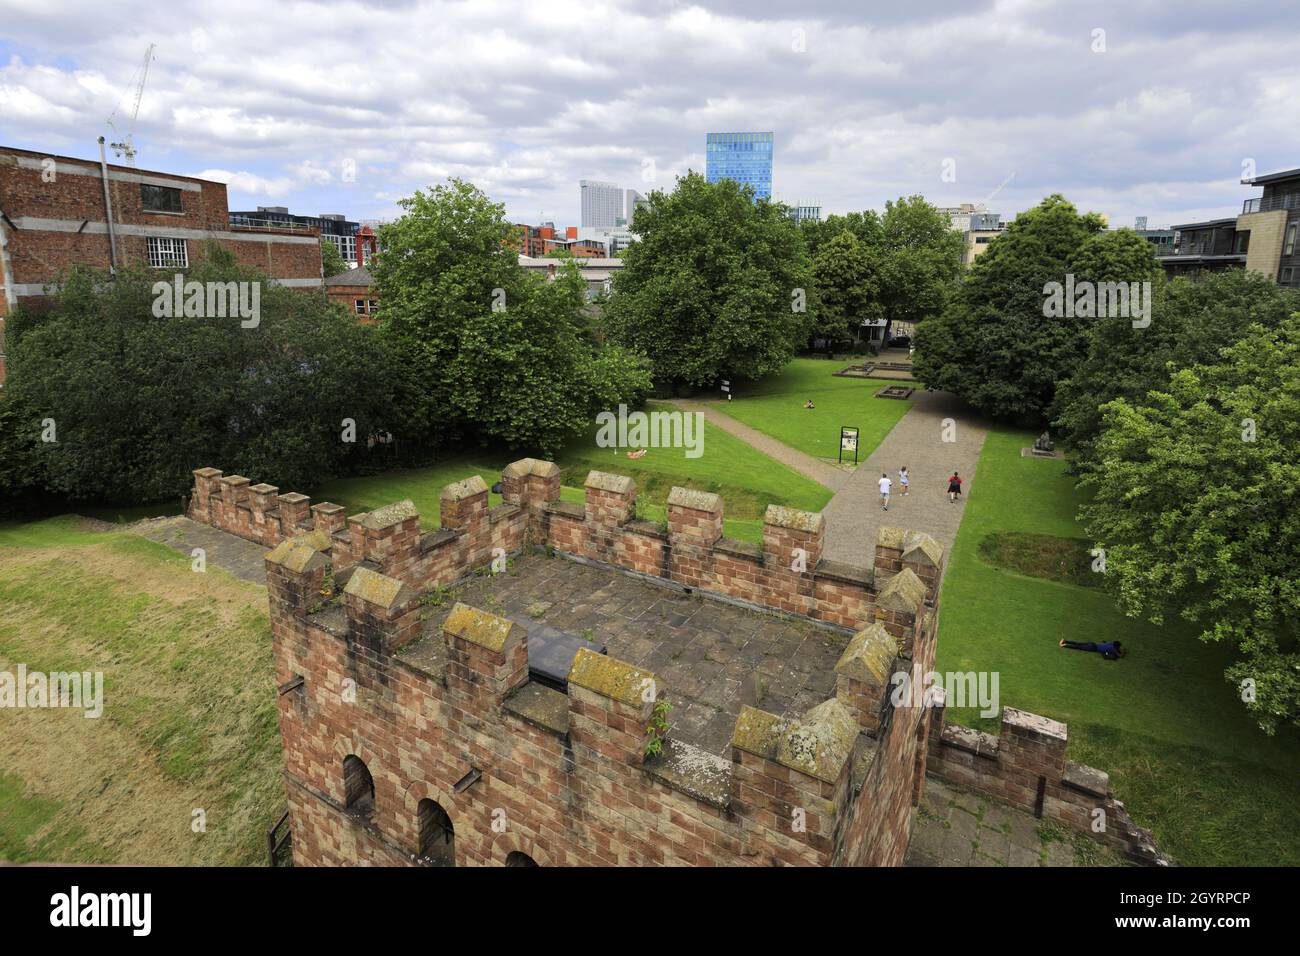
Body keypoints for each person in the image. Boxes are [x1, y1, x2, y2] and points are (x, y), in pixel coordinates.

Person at [1060, 639, 1125, 661]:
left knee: (1078, 643)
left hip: (1093, 644)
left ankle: (1065, 641)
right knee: (1078, 647)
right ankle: (1064, 645)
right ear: (1117, 647)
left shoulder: (1110, 644)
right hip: (1093, 648)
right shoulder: (1113, 649)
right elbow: (1120, 656)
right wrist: (1122, 651)